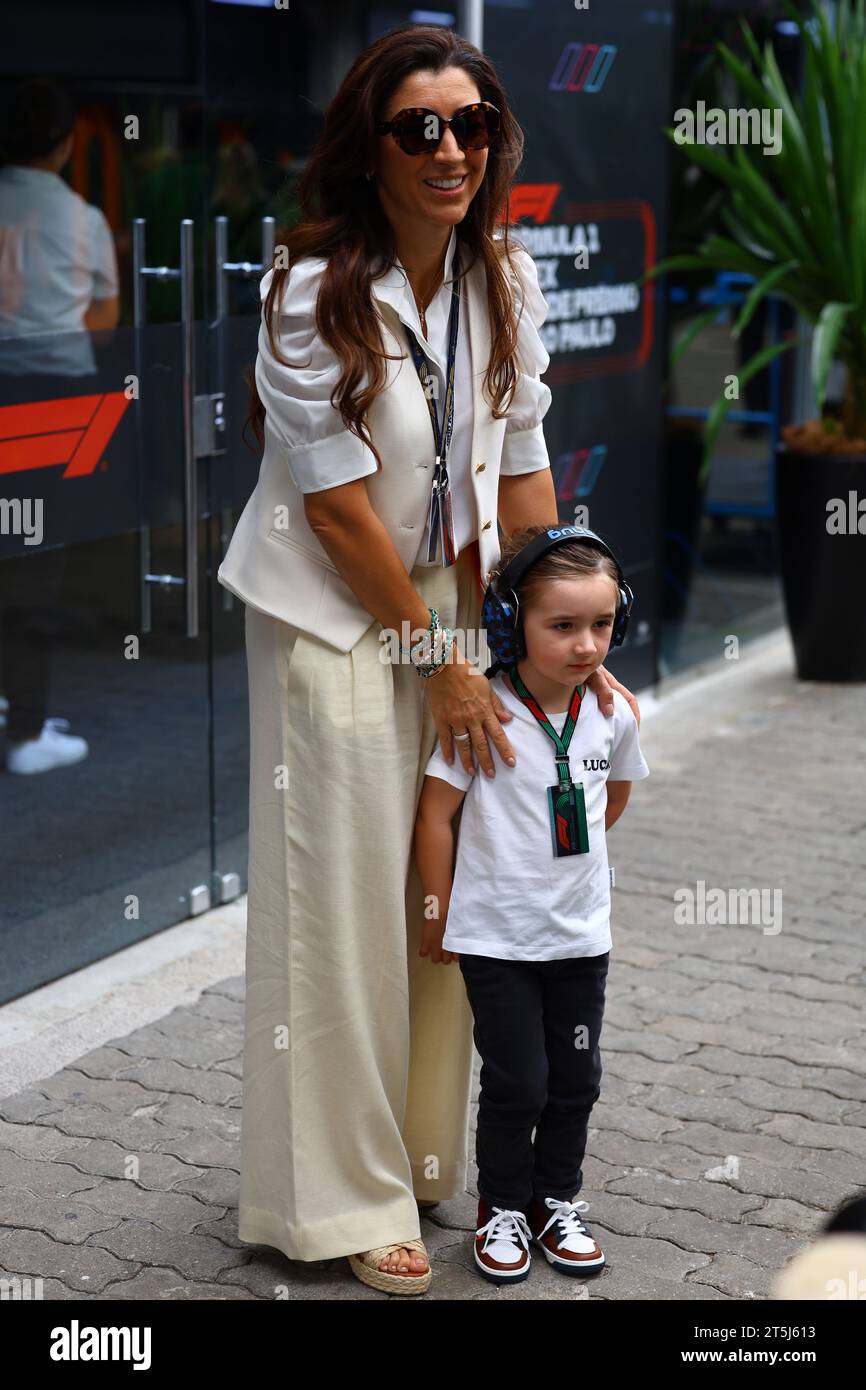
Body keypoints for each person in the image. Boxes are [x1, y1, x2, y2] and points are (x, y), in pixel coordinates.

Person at [217, 25, 641, 1296]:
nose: (449, 147)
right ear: (371, 150)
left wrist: (540, 644)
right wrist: (441, 662)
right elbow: (341, 514)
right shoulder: (309, 289)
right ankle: (338, 1199)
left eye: (471, 124)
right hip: (333, 612)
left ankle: (417, 1156)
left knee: (451, 900)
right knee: (345, 903)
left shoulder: (501, 277)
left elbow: (519, 475)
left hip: (460, 603)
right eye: (419, 128)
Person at [415, 524, 650, 1284]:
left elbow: (611, 796)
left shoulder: (613, 713)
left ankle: (557, 1201)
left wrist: (567, 863)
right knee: (520, 1079)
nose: (587, 645)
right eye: (564, 626)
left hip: (580, 938)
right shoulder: (481, 712)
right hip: (497, 940)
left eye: (602, 624)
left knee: (577, 1081)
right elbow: (434, 816)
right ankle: (502, 1209)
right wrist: (438, 908)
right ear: (512, 624)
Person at [0, 77, 119, 774]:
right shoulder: (84, 219)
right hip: (56, 404)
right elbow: (102, 330)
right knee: (37, 559)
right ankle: (29, 728)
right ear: (67, 144)